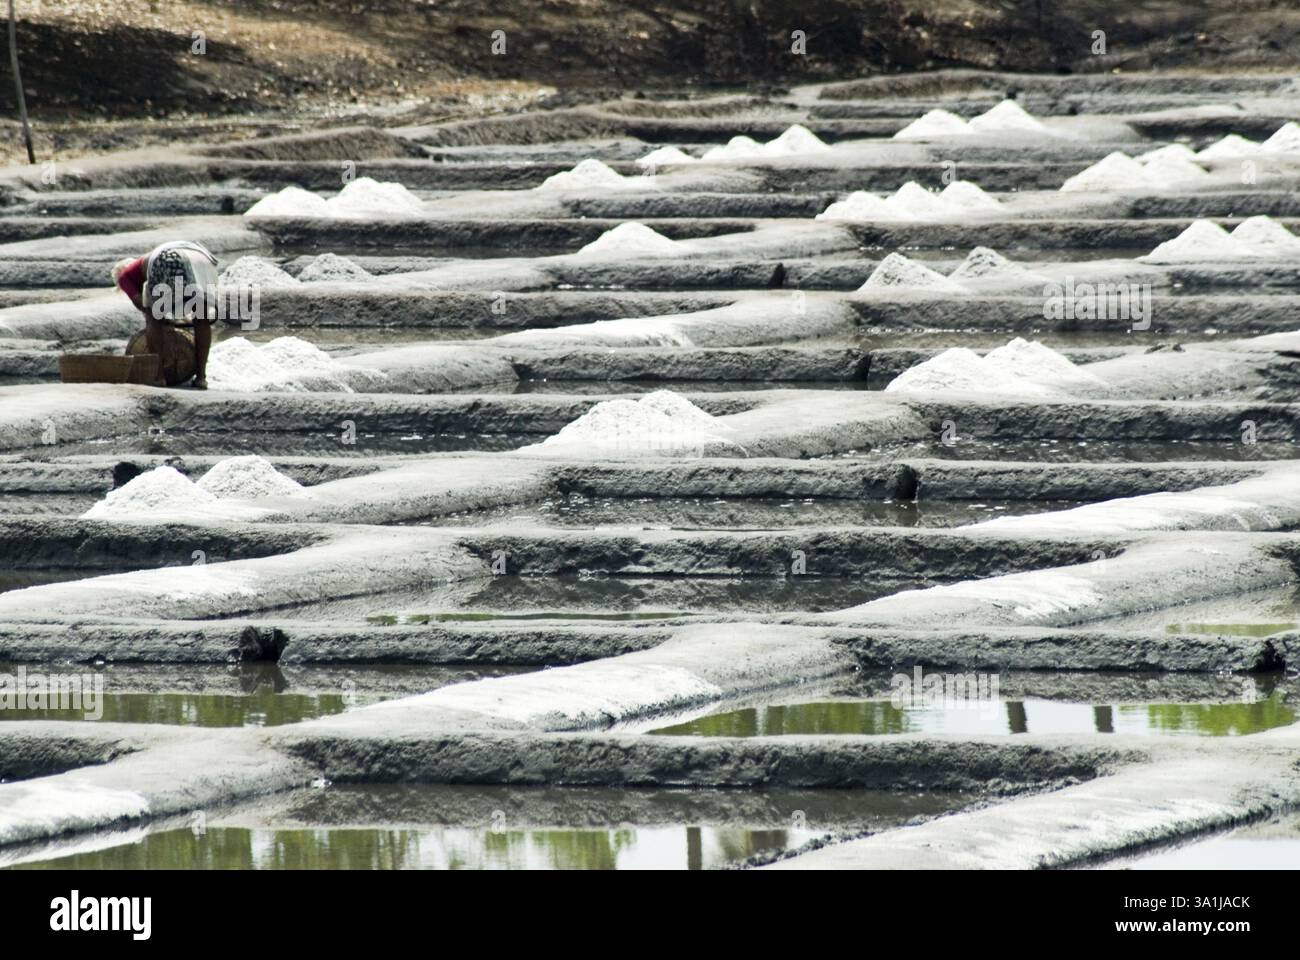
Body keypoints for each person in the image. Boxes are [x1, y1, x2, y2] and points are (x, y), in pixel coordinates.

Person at [113, 241, 220, 389]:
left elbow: (142, 304)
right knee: (201, 318)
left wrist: (155, 318)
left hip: (169, 258)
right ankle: (201, 378)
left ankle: (159, 377)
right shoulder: (145, 262)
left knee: (153, 318)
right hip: (201, 259)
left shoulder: (124, 275)